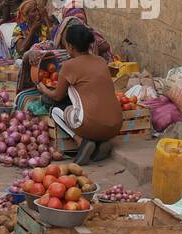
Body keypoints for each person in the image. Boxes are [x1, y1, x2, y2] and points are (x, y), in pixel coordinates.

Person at [37, 22, 122, 165]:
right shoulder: (101, 61)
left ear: (70, 46)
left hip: (90, 125)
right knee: (80, 97)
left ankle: (81, 141)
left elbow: (57, 96)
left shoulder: (69, 66)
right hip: (115, 125)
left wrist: (43, 89)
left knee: (52, 105)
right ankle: (101, 142)